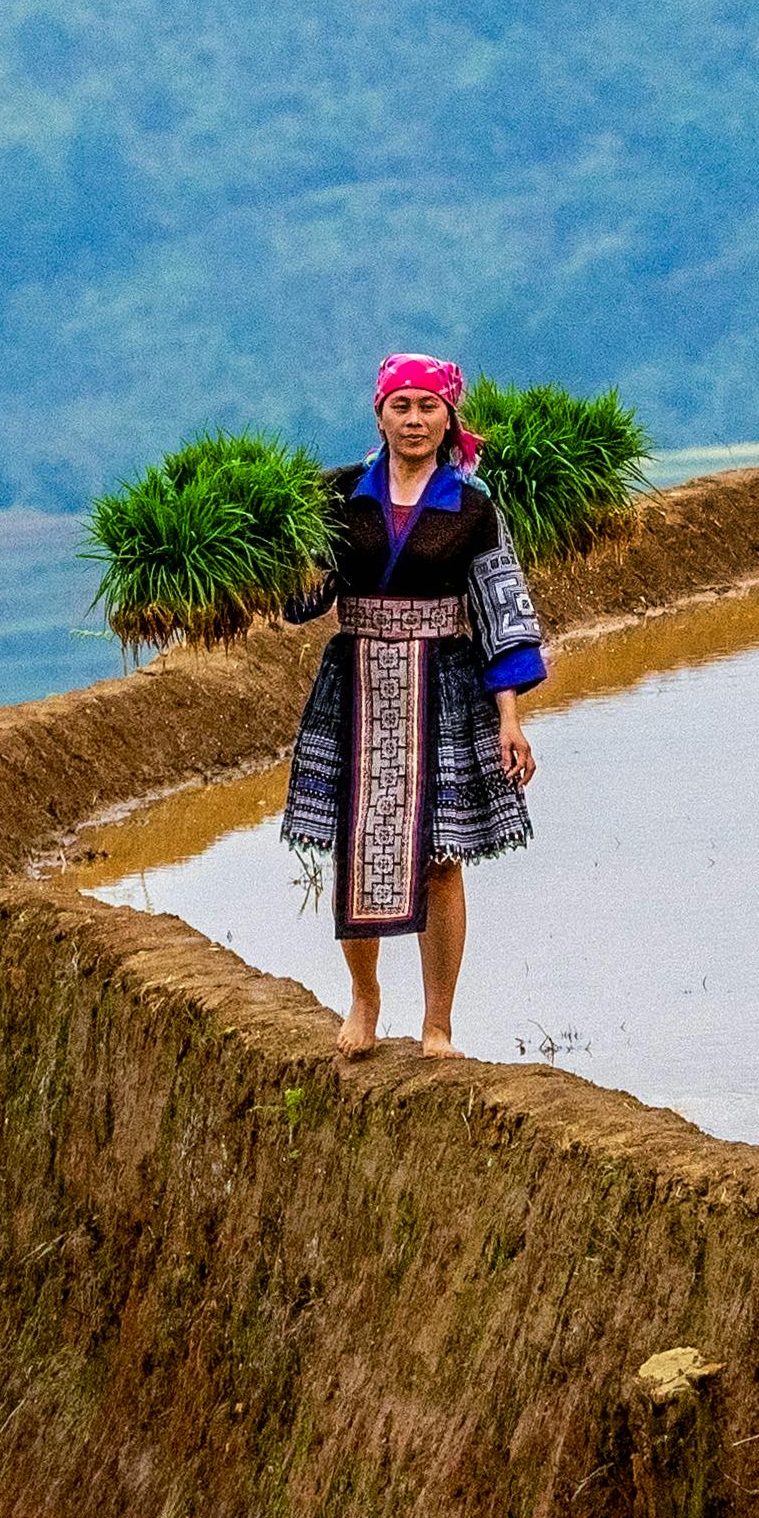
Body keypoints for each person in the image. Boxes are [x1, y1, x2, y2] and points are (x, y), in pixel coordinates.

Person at [280, 353, 544, 1055]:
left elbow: (500, 613)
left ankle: (438, 1022)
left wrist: (509, 717)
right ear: (380, 414)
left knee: (442, 853)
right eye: (402, 406)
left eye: (429, 406)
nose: (415, 419)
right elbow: (307, 595)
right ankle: (364, 1001)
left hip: (445, 684)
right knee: (355, 841)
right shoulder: (339, 496)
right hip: (356, 681)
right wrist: (253, 573)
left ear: (448, 416)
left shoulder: (472, 503)